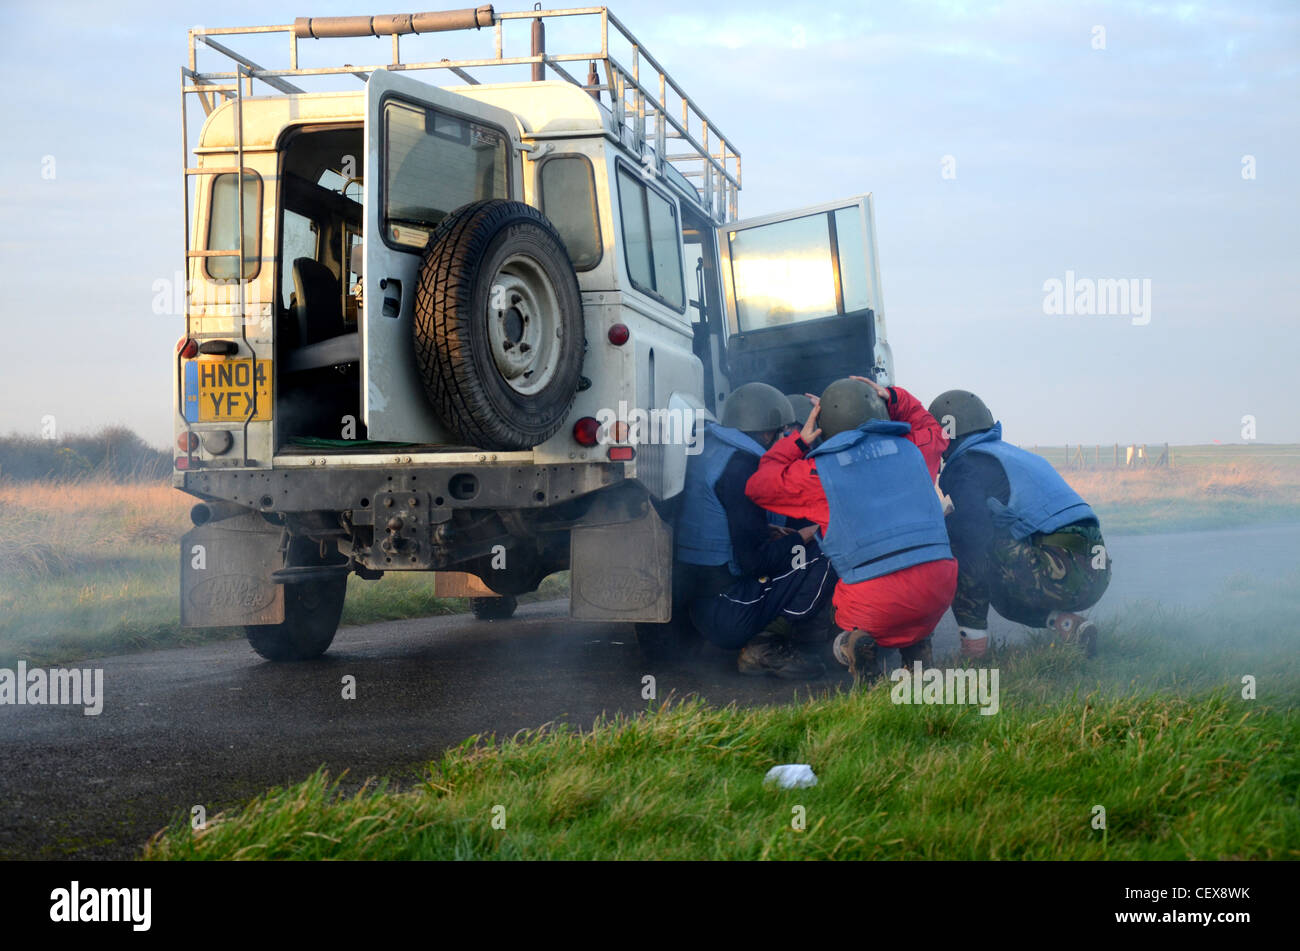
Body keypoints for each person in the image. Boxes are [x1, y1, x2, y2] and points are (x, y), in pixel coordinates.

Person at [746, 376, 957, 681]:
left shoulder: (821, 472)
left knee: (844, 604)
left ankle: (849, 645)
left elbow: (758, 486)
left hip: (875, 603)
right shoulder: (915, 450)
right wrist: (894, 397)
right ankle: (916, 656)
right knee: (912, 597)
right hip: (940, 589)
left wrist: (798, 441)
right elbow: (933, 428)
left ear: (823, 425)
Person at [927, 389, 1111, 657]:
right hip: (1098, 570)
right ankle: (1070, 626)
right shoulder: (1015, 456)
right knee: (1003, 598)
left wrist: (948, 523)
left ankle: (973, 650)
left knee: (962, 540)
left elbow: (973, 532)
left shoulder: (965, 464)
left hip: (1059, 570)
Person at [673, 382, 835, 678]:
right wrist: (806, 535)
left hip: (691, 600)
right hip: (727, 612)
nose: (783, 437)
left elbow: (721, 520)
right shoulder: (744, 466)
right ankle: (767, 644)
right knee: (827, 552)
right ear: (765, 432)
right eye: (781, 431)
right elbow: (754, 562)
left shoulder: (712, 448)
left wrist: (766, 529)